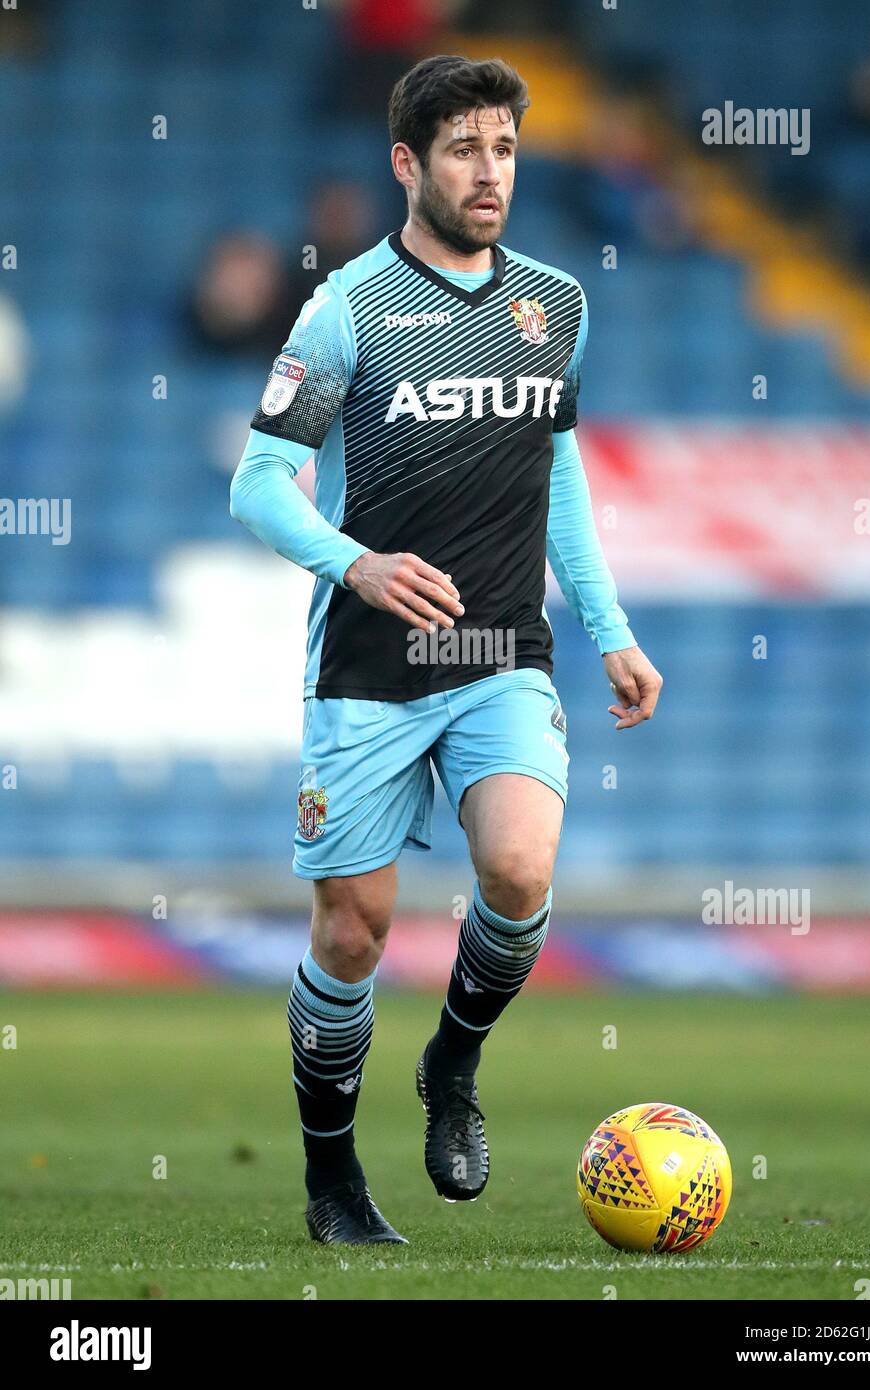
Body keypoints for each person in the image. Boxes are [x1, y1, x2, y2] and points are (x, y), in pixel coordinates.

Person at [229, 54, 662, 1245]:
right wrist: (353, 563)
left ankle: (453, 1065)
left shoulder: (556, 306)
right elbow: (259, 485)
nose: (491, 172)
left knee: (521, 875)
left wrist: (610, 629)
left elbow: (557, 468)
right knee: (352, 932)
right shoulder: (347, 308)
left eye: (507, 149)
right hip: (369, 662)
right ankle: (333, 1184)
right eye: (465, 149)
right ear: (408, 164)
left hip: (502, 650)